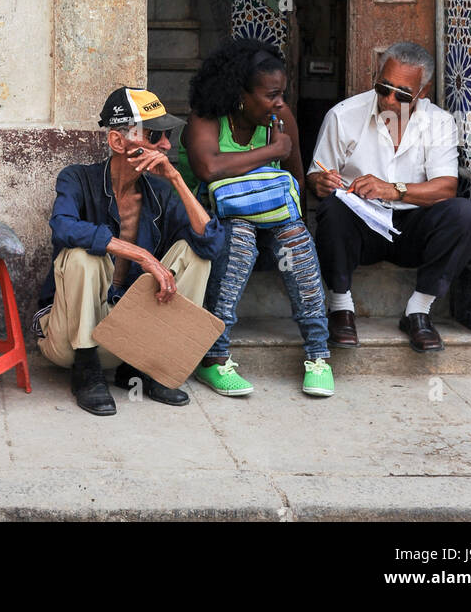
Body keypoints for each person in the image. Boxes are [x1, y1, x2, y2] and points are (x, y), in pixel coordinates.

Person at [34, 86, 224, 416]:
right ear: (118, 142)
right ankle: (87, 372)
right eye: (154, 136)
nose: (165, 146)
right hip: (68, 337)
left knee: (194, 254)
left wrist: (177, 179)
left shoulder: (161, 192)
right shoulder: (77, 178)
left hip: (129, 335)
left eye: (167, 136)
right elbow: (62, 227)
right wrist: (143, 256)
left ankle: (146, 367)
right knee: (81, 256)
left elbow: (211, 243)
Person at [180, 38, 334, 399]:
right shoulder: (206, 118)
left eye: (282, 94)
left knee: (295, 237)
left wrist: (295, 226)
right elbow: (208, 168)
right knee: (239, 237)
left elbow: (295, 181)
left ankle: (318, 354)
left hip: (272, 221)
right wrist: (273, 151)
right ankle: (214, 358)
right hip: (212, 223)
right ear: (241, 96)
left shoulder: (280, 119)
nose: (279, 102)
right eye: (270, 95)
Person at [308, 41, 471, 352]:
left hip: (412, 227)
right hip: (360, 226)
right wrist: (320, 182)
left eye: (402, 94)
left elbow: (446, 188)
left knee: (466, 214)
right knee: (332, 208)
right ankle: (340, 307)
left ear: (422, 93)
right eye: (383, 88)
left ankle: (418, 311)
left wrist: (394, 189)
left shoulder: (439, 121)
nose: (389, 99)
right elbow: (316, 176)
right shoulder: (343, 115)